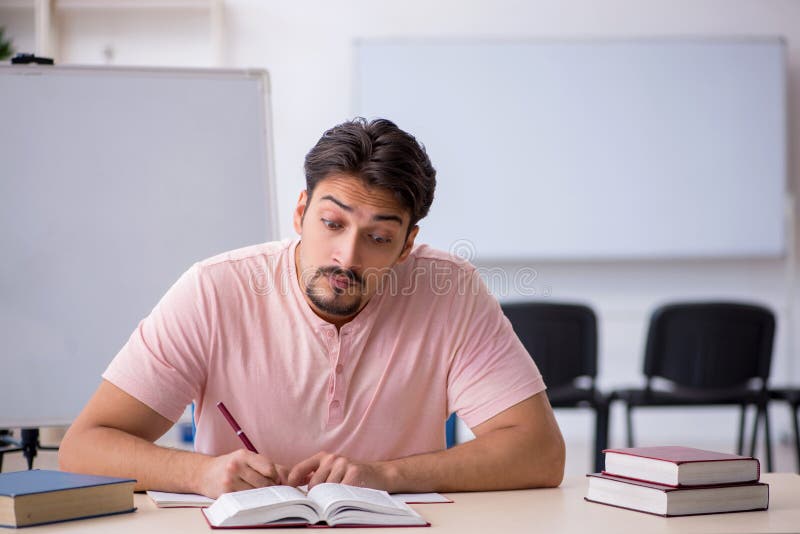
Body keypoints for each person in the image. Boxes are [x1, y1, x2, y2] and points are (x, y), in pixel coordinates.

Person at [59, 118, 565, 497]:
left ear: (407, 245)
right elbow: (84, 447)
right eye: (332, 223)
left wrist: (386, 475)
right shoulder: (214, 289)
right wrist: (200, 473)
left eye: (378, 237)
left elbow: (540, 452)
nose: (347, 257)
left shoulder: (450, 289)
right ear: (301, 212)